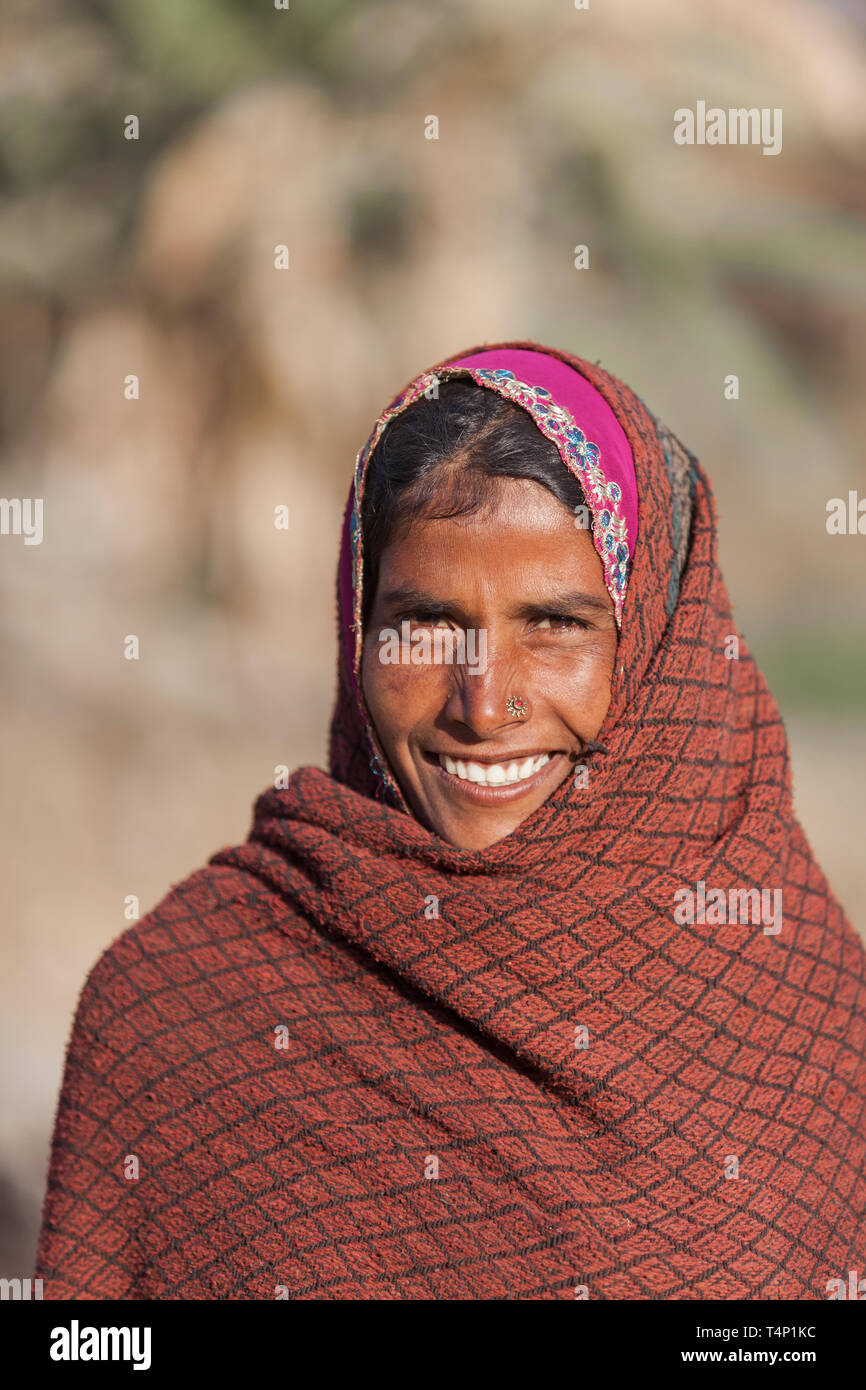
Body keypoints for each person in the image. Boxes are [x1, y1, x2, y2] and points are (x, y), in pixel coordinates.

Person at [36, 341, 866, 1299]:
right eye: (424, 624)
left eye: (554, 624)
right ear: (358, 631)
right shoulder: (181, 1016)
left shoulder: (797, 1011)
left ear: (658, 647)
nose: (481, 704)